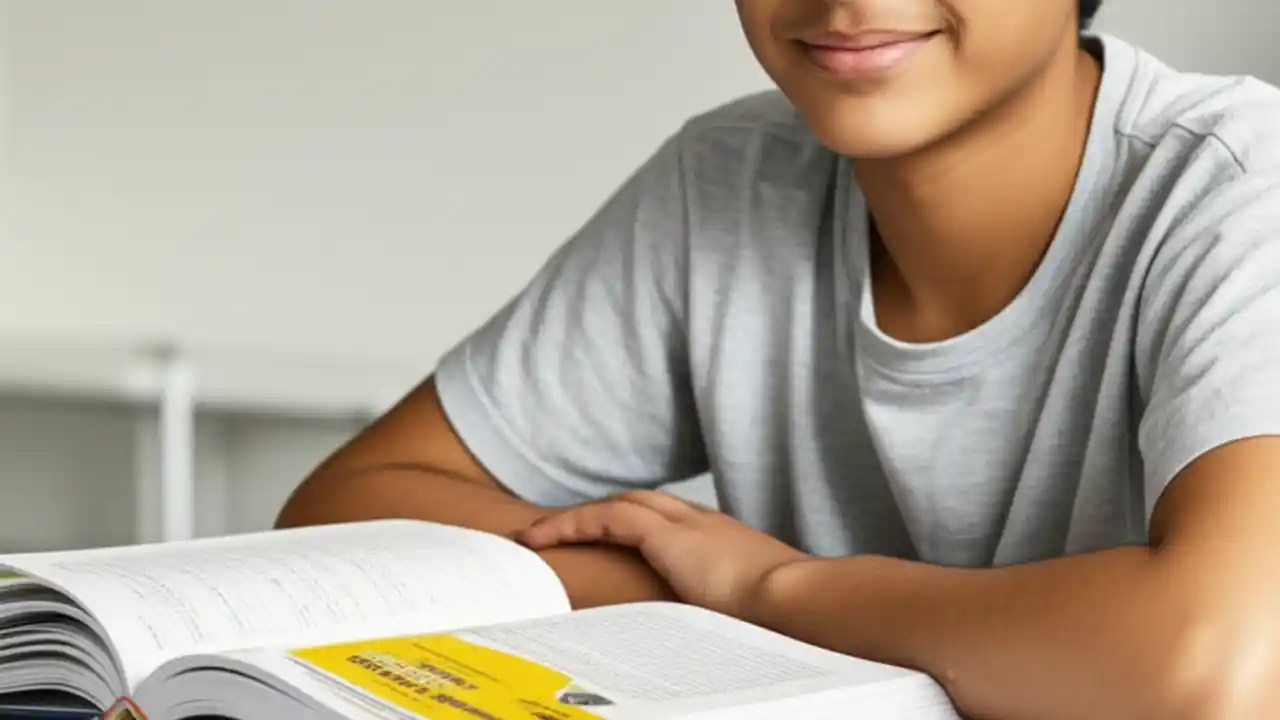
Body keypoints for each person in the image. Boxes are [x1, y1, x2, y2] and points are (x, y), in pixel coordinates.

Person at [278, 0, 1280, 716]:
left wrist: (771, 593)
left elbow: (1210, 671)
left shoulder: (1237, 184)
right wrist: (689, 588)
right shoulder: (724, 180)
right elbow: (350, 508)